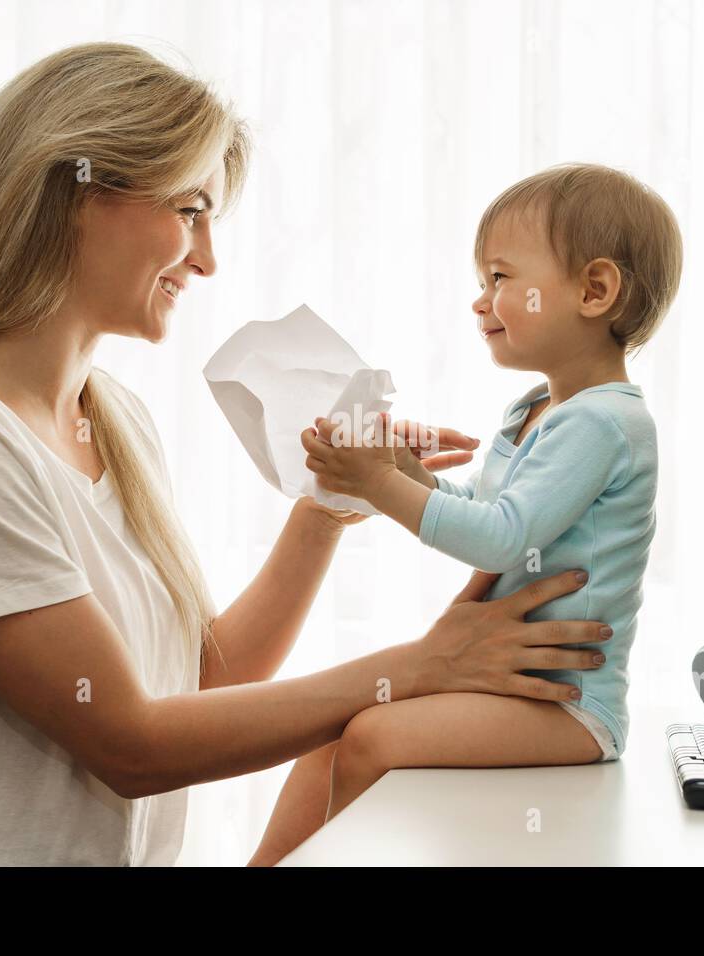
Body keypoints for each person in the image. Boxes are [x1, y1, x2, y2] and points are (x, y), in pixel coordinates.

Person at [0, 42, 607, 866]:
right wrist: (426, 665)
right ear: (70, 193)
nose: (208, 258)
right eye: (189, 210)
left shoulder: (110, 417)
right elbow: (131, 744)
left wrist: (326, 510)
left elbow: (200, 683)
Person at [269, 163, 681, 863]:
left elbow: (502, 541)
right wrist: (400, 472)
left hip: (573, 710)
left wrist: (379, 486)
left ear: (595, 290)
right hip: (521, 690)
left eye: (497, 278)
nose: (478, 300)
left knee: (371, 738)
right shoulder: (534, 412)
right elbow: (487, 510)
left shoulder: (604, 424)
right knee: (329, 743)